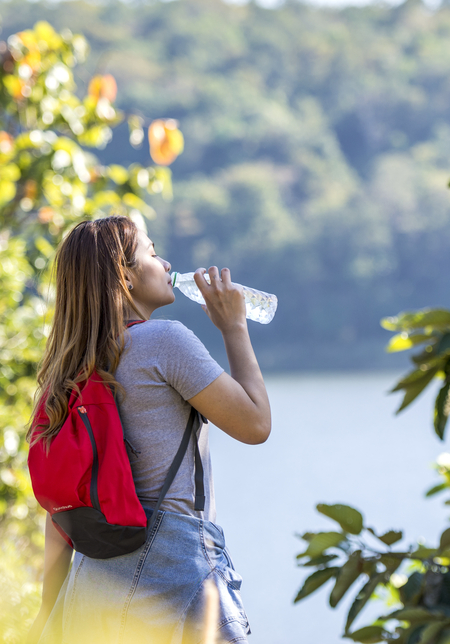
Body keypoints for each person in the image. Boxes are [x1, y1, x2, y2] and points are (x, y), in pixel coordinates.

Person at [26, 215, 272, 644]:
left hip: (91, 584)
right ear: (126, 276)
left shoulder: (66, 374)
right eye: (153, 253)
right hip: (175, 573)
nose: (166, 263)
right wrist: (234, 327)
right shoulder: (164, 341)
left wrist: (48, 614)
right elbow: (255, 424)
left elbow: (62, 511)